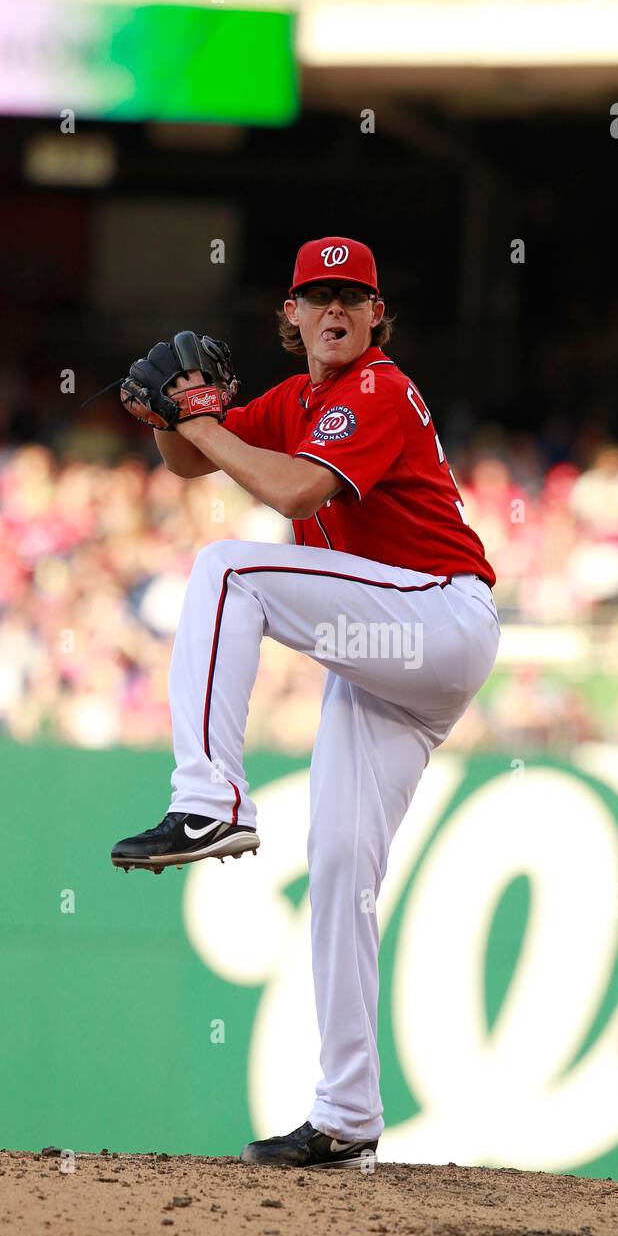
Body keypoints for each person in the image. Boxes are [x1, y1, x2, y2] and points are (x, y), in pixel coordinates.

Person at [111, 237, 500, 1168]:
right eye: (317, 296)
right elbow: (187, 463)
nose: (334, 310)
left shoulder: (375, 388)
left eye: (352, 297)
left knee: (229, 566)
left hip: (437, 617)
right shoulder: (294, 400)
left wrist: (200, 425)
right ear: (289, 315)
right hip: (385, 663)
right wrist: (173, 415)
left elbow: (290, 485)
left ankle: (210, 802)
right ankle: (347, 1117)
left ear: (377, 318)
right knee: (340, 868)